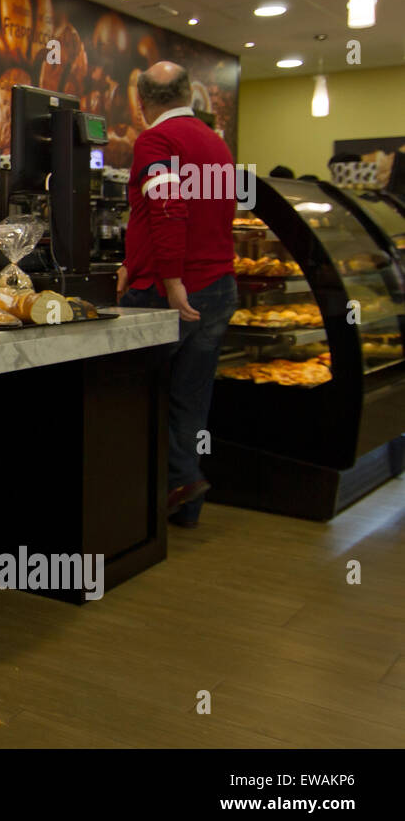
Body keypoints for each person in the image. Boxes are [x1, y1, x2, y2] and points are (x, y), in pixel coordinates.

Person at [117, 61, 238, 528]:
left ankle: (141, 503)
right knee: (190, 400)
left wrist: (168, 279)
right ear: (190, 93)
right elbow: (210, 214)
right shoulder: (217, 144)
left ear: (143, 104)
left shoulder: (156, 141)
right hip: (218, 286)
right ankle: (185, 498)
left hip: (172, 293)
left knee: (134, 398)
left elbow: (168, 208)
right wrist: (134, 260)